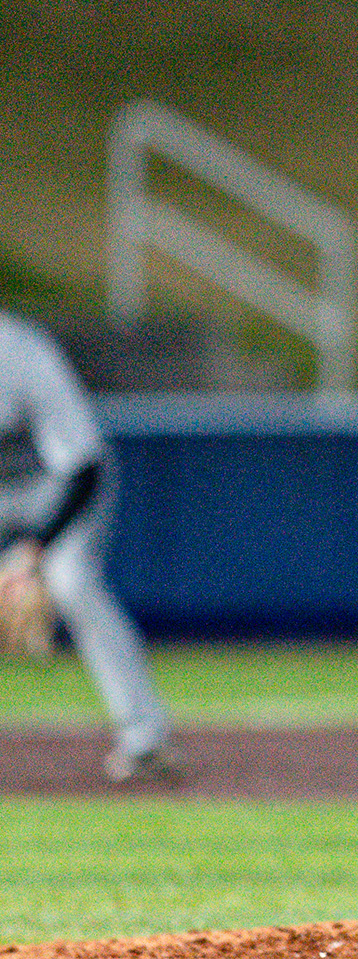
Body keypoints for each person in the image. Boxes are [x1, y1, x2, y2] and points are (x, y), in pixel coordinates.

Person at [0, 309, 181, 784]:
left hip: (55, 485)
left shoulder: (22, 353)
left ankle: (145, 739)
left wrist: (33, 551)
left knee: (72, 584)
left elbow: (84, 467)